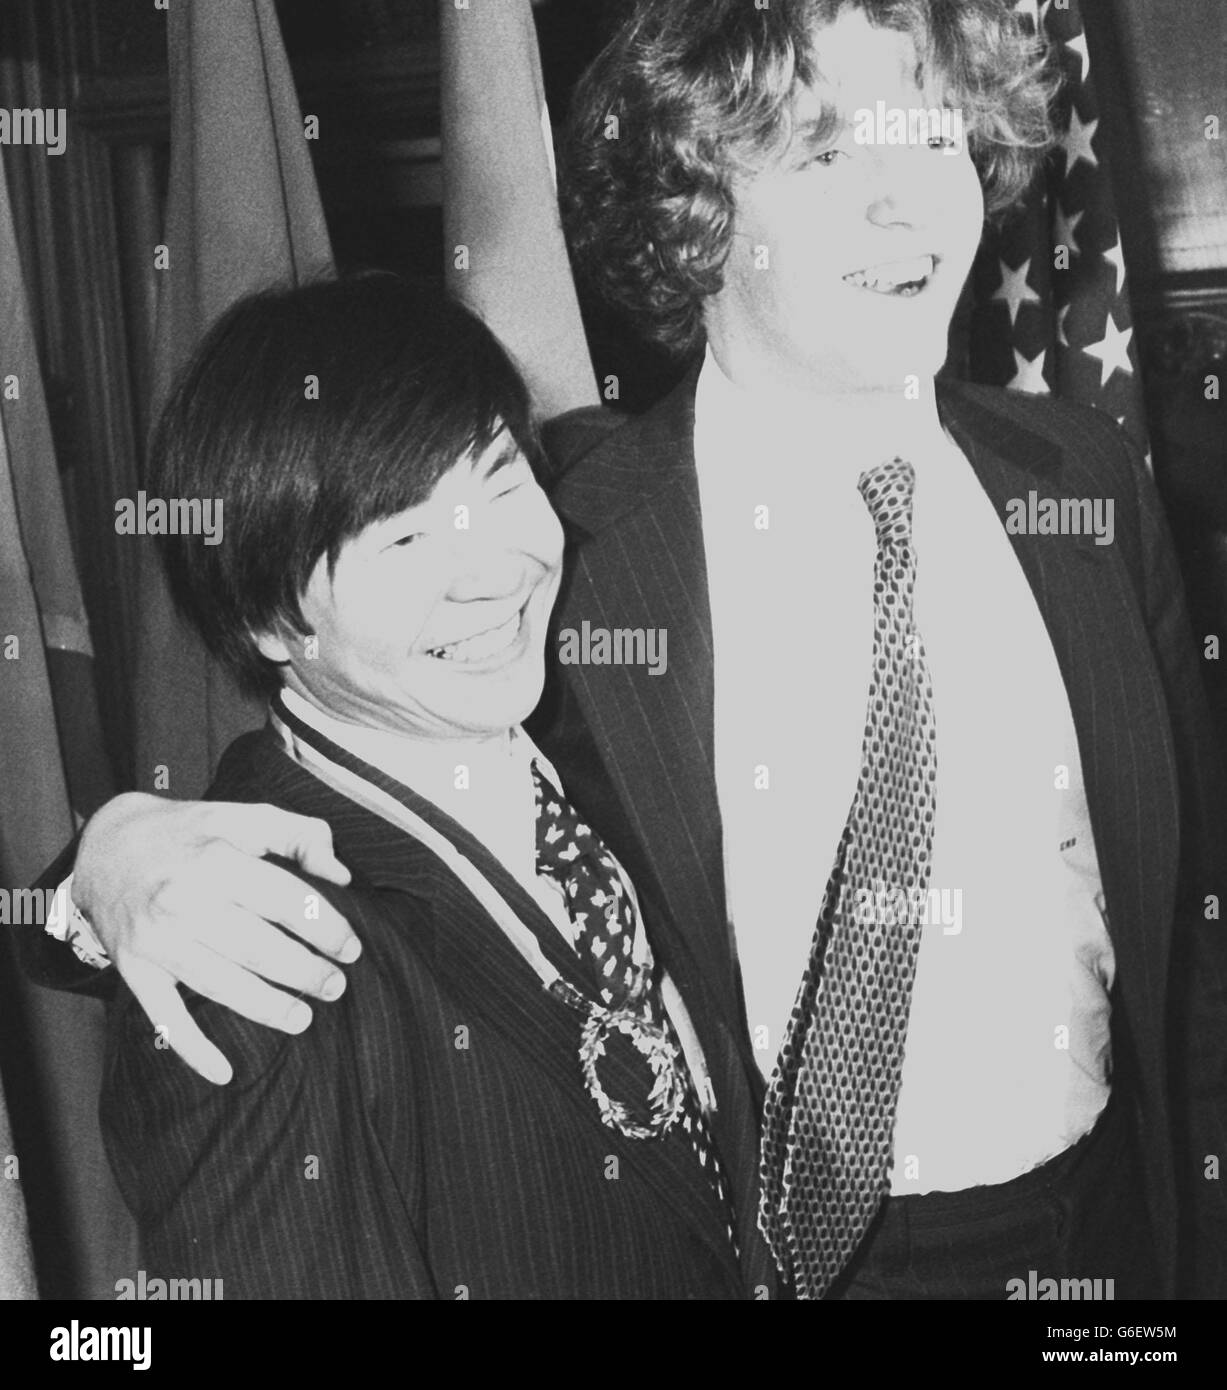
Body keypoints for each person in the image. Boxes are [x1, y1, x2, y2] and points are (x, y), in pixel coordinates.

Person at [32, 0, 1226, 1299]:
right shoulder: (570, 540)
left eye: (927, 144)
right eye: (824, 161)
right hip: (786, 1262)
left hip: (1113, 1225)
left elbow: (1189, 920)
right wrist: (99, 868)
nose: (904, 213)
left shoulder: (1083, 487)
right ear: (695, 208)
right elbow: (319, 770)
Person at [70, 272, 760, 1299]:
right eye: (403, 536)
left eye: (498, 479)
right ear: (269, 620)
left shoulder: (600, 707)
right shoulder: (254, 963)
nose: (494, 572)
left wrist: (90, 865)